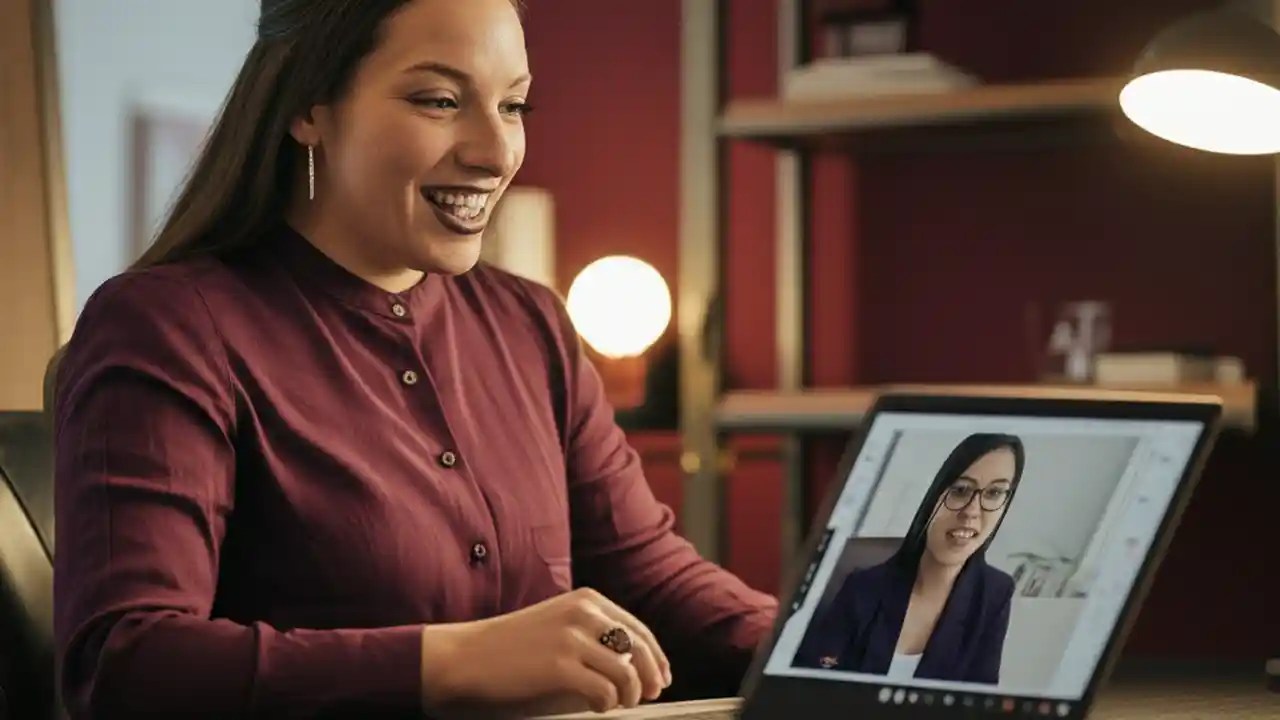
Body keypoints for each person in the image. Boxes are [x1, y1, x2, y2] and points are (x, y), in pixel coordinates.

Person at [49, 1, 777, 717]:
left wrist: (824, 649)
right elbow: (126, 663)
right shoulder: (170, 325)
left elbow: (649, 579)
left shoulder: (532, 324)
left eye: (515, 106)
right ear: (308, 106)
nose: (495, 153)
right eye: (440, 101)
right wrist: (456, 661)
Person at [793, 433, 1024, 684]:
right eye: (960, 490)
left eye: (994, 493)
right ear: (933, 495)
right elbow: (815, 685)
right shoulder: (863, 587)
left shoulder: (995, 592)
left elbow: (981, 697)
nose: (971, 512)